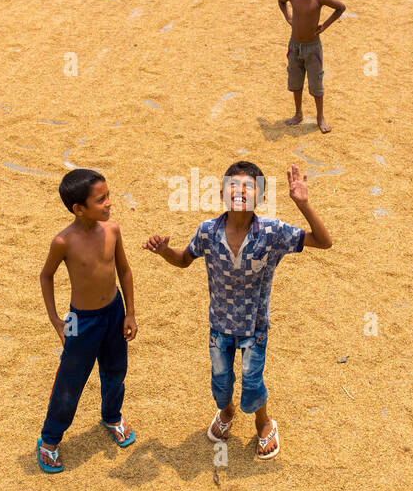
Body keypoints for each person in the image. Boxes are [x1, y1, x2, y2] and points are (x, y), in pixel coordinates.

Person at [143, 163, 331, 460]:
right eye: (234, 185)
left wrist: (303, 204)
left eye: (249, 186)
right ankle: (227, 410)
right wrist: (165, 250)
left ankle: (263, 422)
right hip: (219, 327)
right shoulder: (207, 231)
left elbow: (323, 241)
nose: (240, 190)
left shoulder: (272, 232)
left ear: (260, 198)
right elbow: (183, 259)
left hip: (254, 330)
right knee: (220, 383)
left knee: (252, 382)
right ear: (221, 193)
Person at [37, 169, 138, 473]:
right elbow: (46, 275)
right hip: (80, 321)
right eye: (101, 199)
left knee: (116, 370)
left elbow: (125, 270)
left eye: (108, 195)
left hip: (114, 311)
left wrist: (130, 312)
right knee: (70, 380)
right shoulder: (63, 242)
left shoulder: (112, 230)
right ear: (78, 208)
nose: (109, 203)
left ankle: (112, 416)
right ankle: (50, 440)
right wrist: (56, 319)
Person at [278, 0, 345, 134]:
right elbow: (280, 1)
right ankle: (298, 113)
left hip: (312, 48)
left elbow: (340, 7)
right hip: (294, 46)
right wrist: (288, 17)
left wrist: (325, 25)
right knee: (295, 81)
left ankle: (320, 116)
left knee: (316, 84)